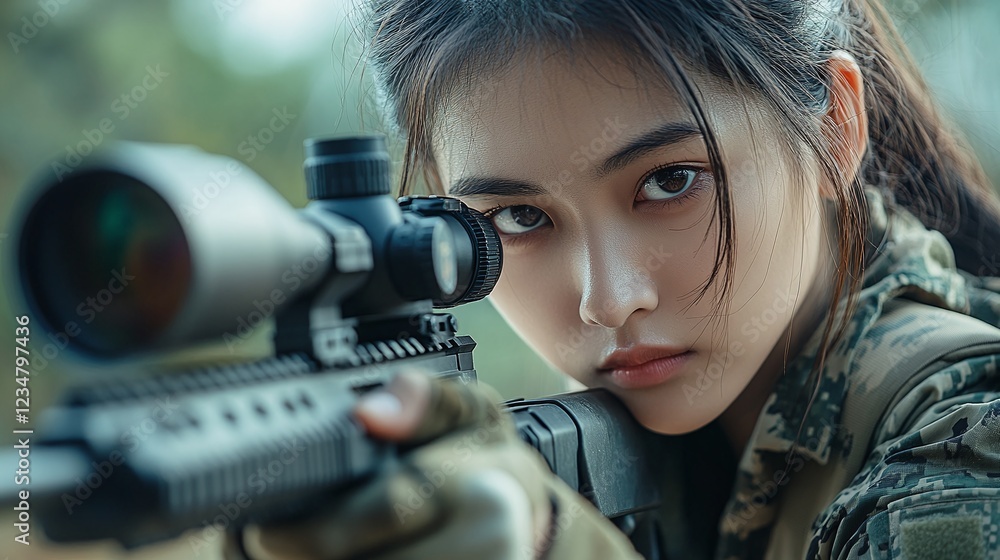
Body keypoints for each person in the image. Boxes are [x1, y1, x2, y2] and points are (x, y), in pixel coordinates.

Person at [226, 0, 1000, 558]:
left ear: (834, 130)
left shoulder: (962, 451)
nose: (608, 298)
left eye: (670, 181)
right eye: (518, 217)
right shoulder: (620, 445)